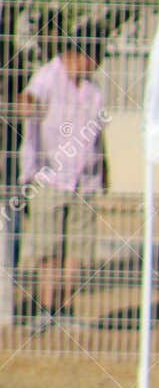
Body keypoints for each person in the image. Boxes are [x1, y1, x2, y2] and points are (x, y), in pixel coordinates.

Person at [20, 29, 107, 329]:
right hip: (49, 177)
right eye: (95, 59)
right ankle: (46, 309)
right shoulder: (47, 76)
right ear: (81, 55)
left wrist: (104, 171)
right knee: (49, 248)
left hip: (84, 180)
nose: (97, 66)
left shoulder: (93, 91)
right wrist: (25, 104)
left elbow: (98, 137)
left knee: (77, 249)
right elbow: (29, 99)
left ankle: (66, 310)